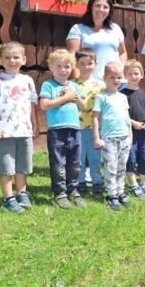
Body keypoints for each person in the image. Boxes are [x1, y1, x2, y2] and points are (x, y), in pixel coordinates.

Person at [0, 42, 39, 214]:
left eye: (16, 57)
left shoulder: (27, 80)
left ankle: (22, 193)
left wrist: (35, 123)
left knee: (23, 164)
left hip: (24, 130)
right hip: (4, 132)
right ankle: (8, 199)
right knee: (6, 165)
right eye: (7, 57)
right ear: (0, 60)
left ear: (24, 59)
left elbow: (31, 104)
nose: (12, 61)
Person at [39, 49, 86, 209]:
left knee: (74, 162)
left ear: (72, 68)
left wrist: (74, 95)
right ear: (51, 67)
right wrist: (65, 98)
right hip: (57, 130)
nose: (63, 70)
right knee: (58, 162)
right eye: (58, 66)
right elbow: (44, 105)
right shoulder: (48, 85)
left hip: (74, 129)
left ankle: (73, 190)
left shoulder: (74, 86)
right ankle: (59, 193)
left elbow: (83, 106)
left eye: (67, 67)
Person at [93, 62, 132, 212]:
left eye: (119, 77)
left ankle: (120, 192)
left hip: (124, 137)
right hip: (109, 139)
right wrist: (96, 137)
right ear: (105, 78)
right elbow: (95, 118)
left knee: (121, 167)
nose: (116, 80)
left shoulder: (123, 97)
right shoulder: (101, 97)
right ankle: (111, 194)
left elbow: (127, 118)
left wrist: (130, 135)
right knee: (111, 167)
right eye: (112, 77)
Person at [66, 0, 127, 81]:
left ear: (110, 10)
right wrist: (79, 83)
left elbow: (122, 52)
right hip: (90, 84)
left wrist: (121, 71)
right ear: (90, 7)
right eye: (97, 6)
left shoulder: (115, 28)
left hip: (116, 83)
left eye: (105, 7)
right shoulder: (78, 29)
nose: (101, 10)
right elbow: (72, 57)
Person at [74, 48, 105, 200]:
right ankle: (80, 183)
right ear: (76, 64)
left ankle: (97, 182)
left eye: (90, 63)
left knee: (95, 157)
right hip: (77, 127)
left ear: (95, 64)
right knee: (79, 157)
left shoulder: (101, 85)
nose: (86, 67)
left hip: (95, 128)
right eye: (82, 63)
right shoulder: (72, 84)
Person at [121, 59, 145, 199]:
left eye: (136, 73)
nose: (133, 76)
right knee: (130, 157)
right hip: (130, 132)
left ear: (141, 75)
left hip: (144, 132)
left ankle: (144, 183)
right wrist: (133, 123)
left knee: (144, 156)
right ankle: (133, 184)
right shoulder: (122, 94)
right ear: (125, 75)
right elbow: (121, 114)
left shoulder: (144, 93)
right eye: (130, 74)